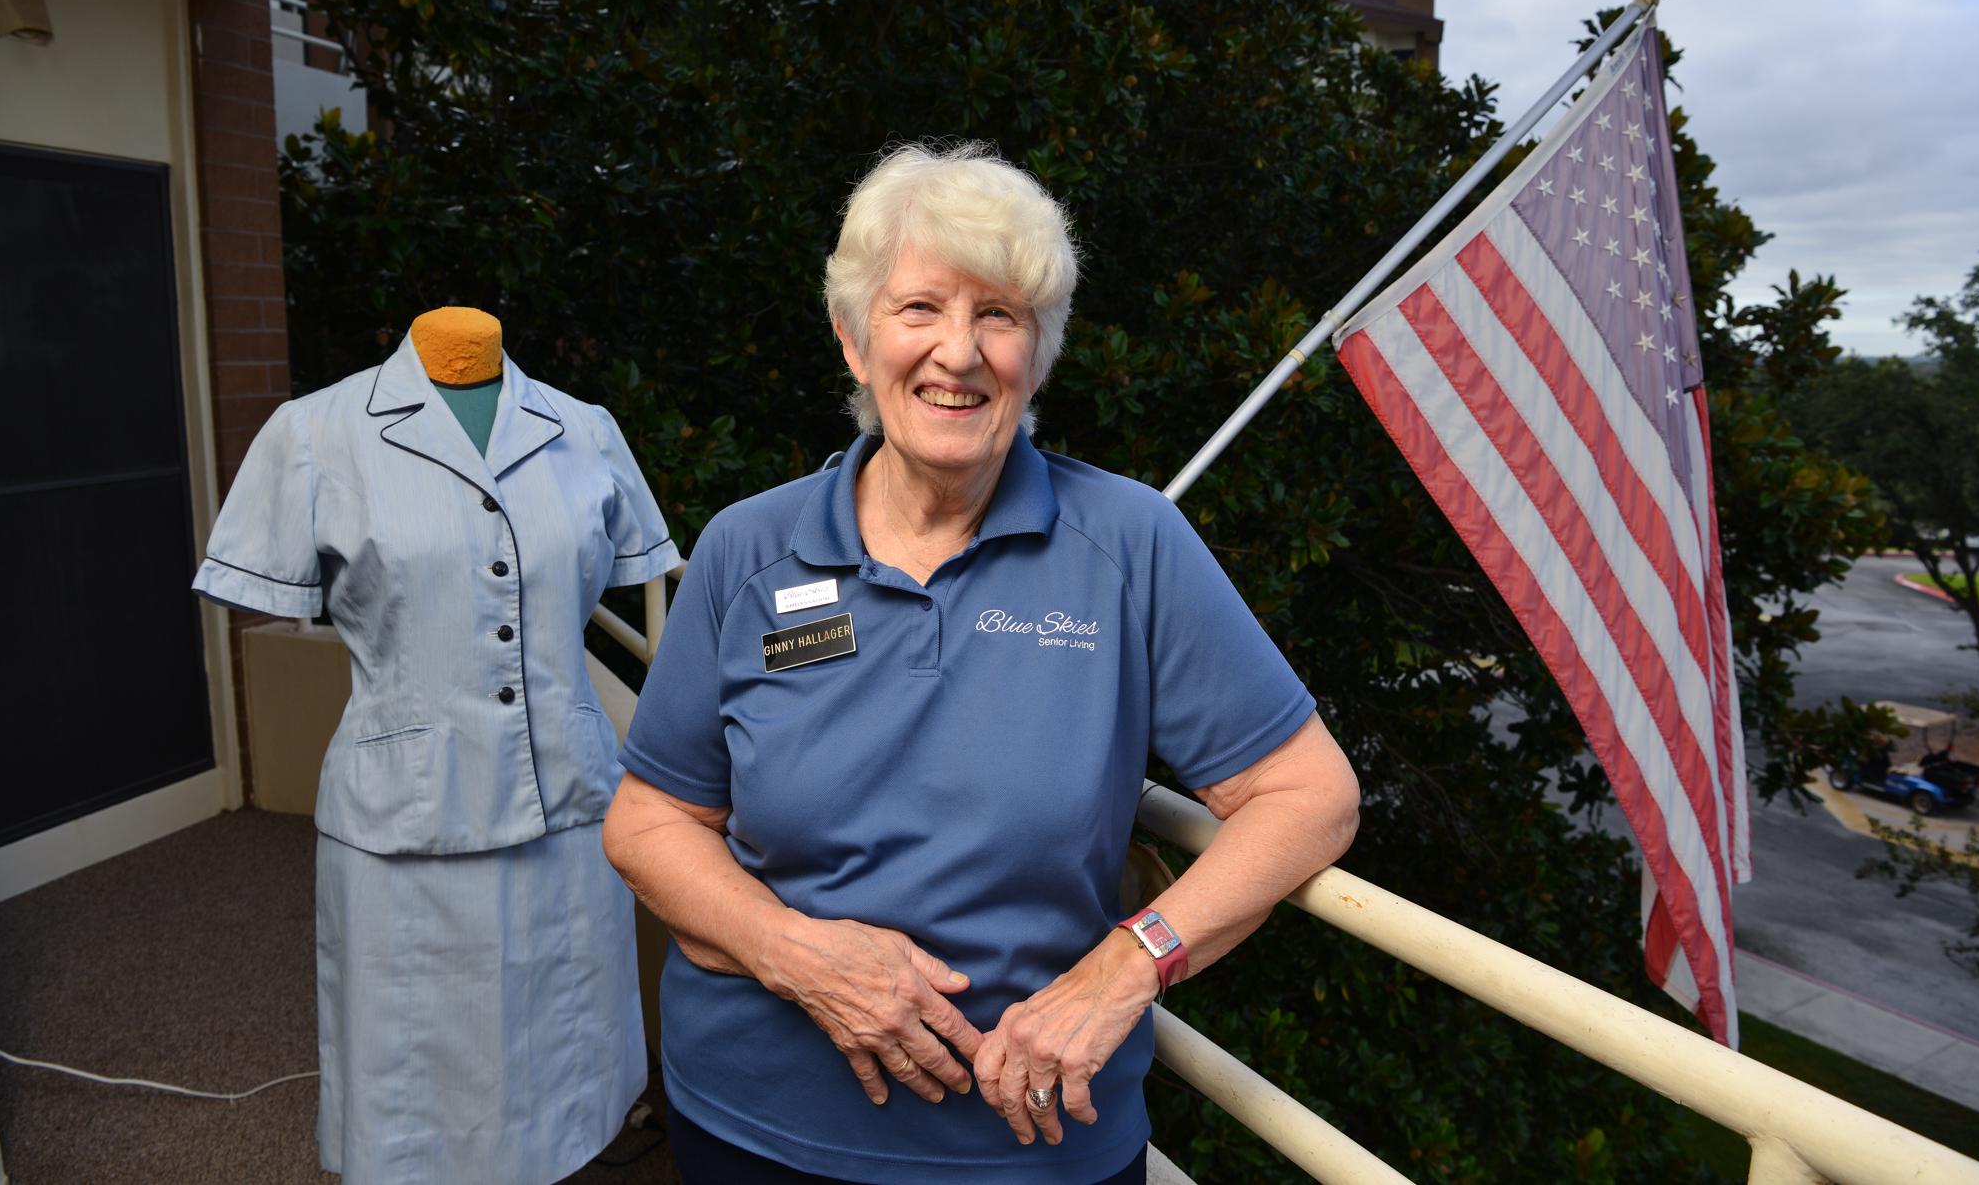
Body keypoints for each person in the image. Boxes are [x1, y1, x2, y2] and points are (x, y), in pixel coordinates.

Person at [603, 142, 1359, 1184]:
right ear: (854, 340)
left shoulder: (1130, 545)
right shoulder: (749, 548)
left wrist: (1126, 966)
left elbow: (1308, 795)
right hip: (751, 1127)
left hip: (1033, 1149)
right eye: (918, 308)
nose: (956, 353)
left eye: (998, 316)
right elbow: (649, 821)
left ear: (1038, 355)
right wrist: (795, 953)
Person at [194, 308, 676, 1184]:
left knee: (563, 1078)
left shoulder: (585, 432)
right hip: (402, 829)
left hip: (567, 817)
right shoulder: (315, 435)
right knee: (416, 1098)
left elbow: (617, 569)